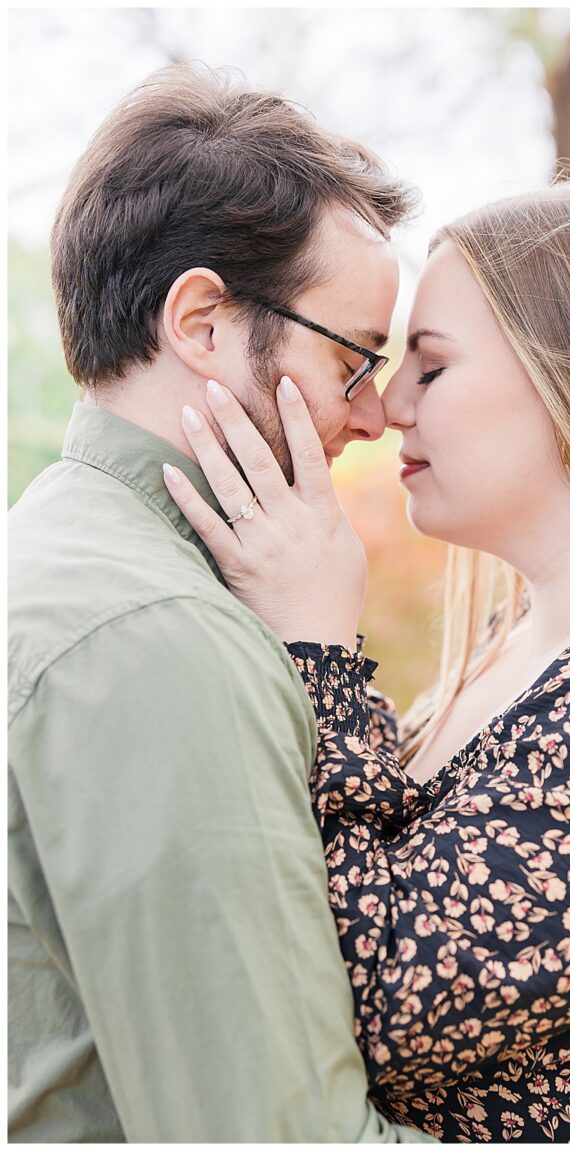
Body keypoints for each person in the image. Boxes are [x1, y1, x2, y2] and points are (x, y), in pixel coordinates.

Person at [164, 180, 570, 1140]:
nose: (387, 403)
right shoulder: (528, 646)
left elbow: (379, 1008)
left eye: (430, 368)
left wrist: (316, 645)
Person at [8, 65, 432, 1140]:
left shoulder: (51, 556)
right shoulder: (161, 643)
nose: (377, 411)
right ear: (201, 321)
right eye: (353, 359)